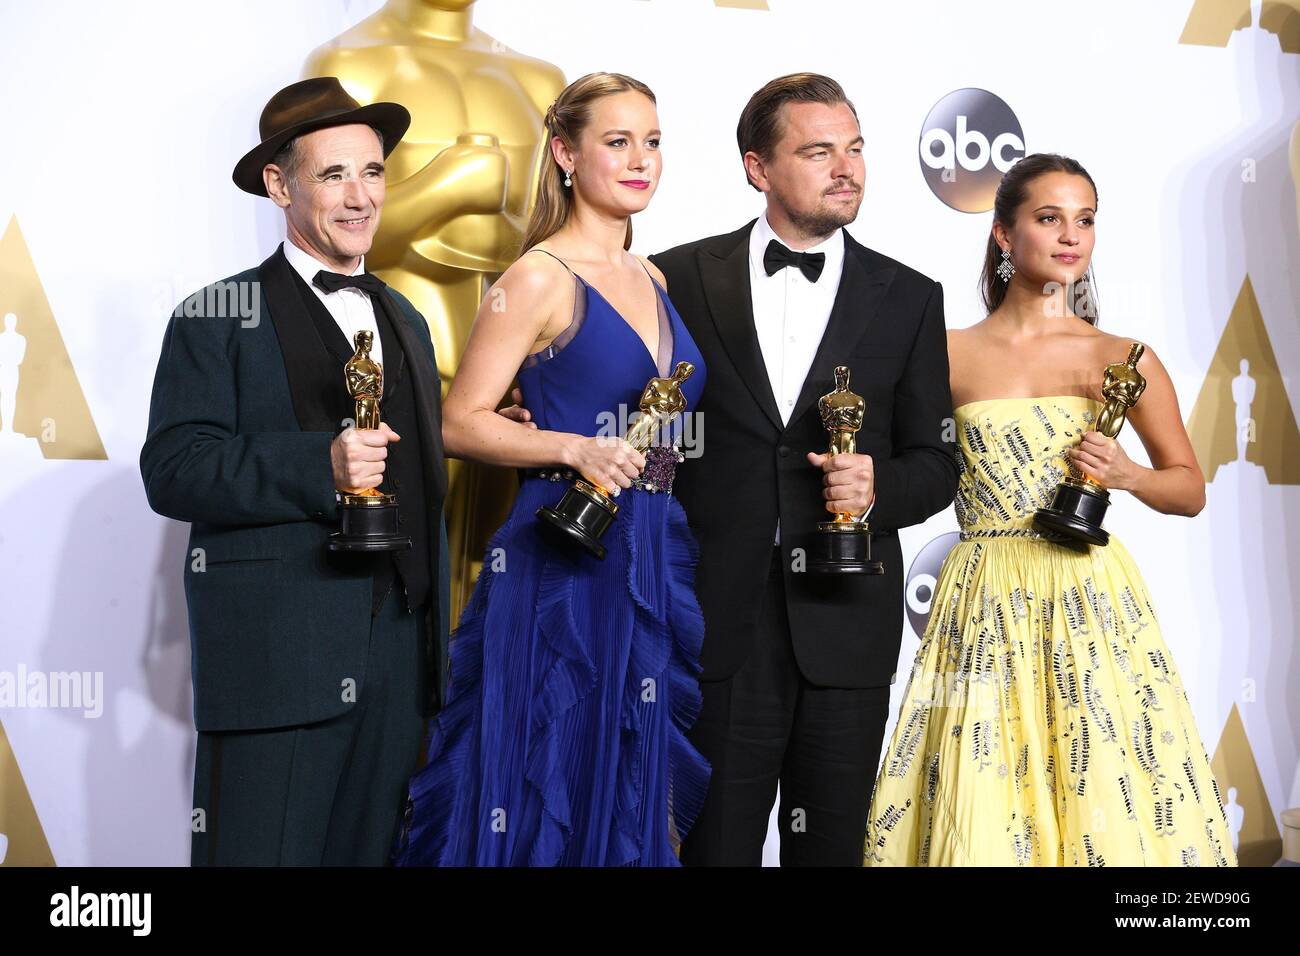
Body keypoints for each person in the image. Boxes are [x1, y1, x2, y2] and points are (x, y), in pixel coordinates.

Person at [863, 153, 1237, 866]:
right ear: (1004, 234)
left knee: (1102, 784)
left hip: (1088, 597)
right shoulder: (943, 354)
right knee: (980, 789)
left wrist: (1126, 474)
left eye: (1085, 220)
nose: (1071, 236)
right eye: (1049, 218)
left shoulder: (1124, 357)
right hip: (980, 598)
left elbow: (1189, 489)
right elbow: (912, 471)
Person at [141, 77, 477, 865]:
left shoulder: (406, 318)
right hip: (275, 662)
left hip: (400, 660)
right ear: (278, 184)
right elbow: (174, 467)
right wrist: (319, 463)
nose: (360, 196)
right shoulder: (213, 315)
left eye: (373, 172)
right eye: (333, 175)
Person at [394, 72, 710, 866]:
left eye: (653, 140)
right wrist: (571, 447)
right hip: (563, 555)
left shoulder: (653, 277)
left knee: (626, 773)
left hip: (647, 545)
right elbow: (458, 422)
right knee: (545, 772)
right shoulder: (538, 277)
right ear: (566, 154)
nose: (641, 160)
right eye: (617, 141)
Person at [649, 73, 959, 866]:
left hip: (846, 629)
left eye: (854, 149)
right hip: (715, 623)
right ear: (758, 168)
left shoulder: (911, 297)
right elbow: (636, 422)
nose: (846, 168)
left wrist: (878, 488)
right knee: (710, 848)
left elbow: (939, 461)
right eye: (818, 152)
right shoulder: (673, 278)